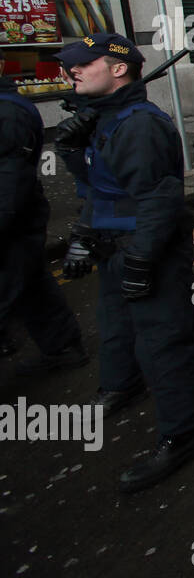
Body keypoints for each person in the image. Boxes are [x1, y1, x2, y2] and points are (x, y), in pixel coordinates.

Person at [53, 33, 194, 491]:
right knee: (124, 323)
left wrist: (141, 259)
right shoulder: (105, 119)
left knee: (162, 338)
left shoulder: (139, 125)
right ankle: (150, 383)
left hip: (142, 245)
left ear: (119, 68)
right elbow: (102, 186)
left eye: (85, 63)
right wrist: (69, 152)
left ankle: (181, 433)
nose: (73, 71)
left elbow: (158, 201)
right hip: (114, 242)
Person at [0, 64, 86, 374]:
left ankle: (62, 347)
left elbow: (10, 183)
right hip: (18, 221)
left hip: (15, 222)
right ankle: (62, 346)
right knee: (31, 285)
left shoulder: (9, 114)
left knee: (22, 282)